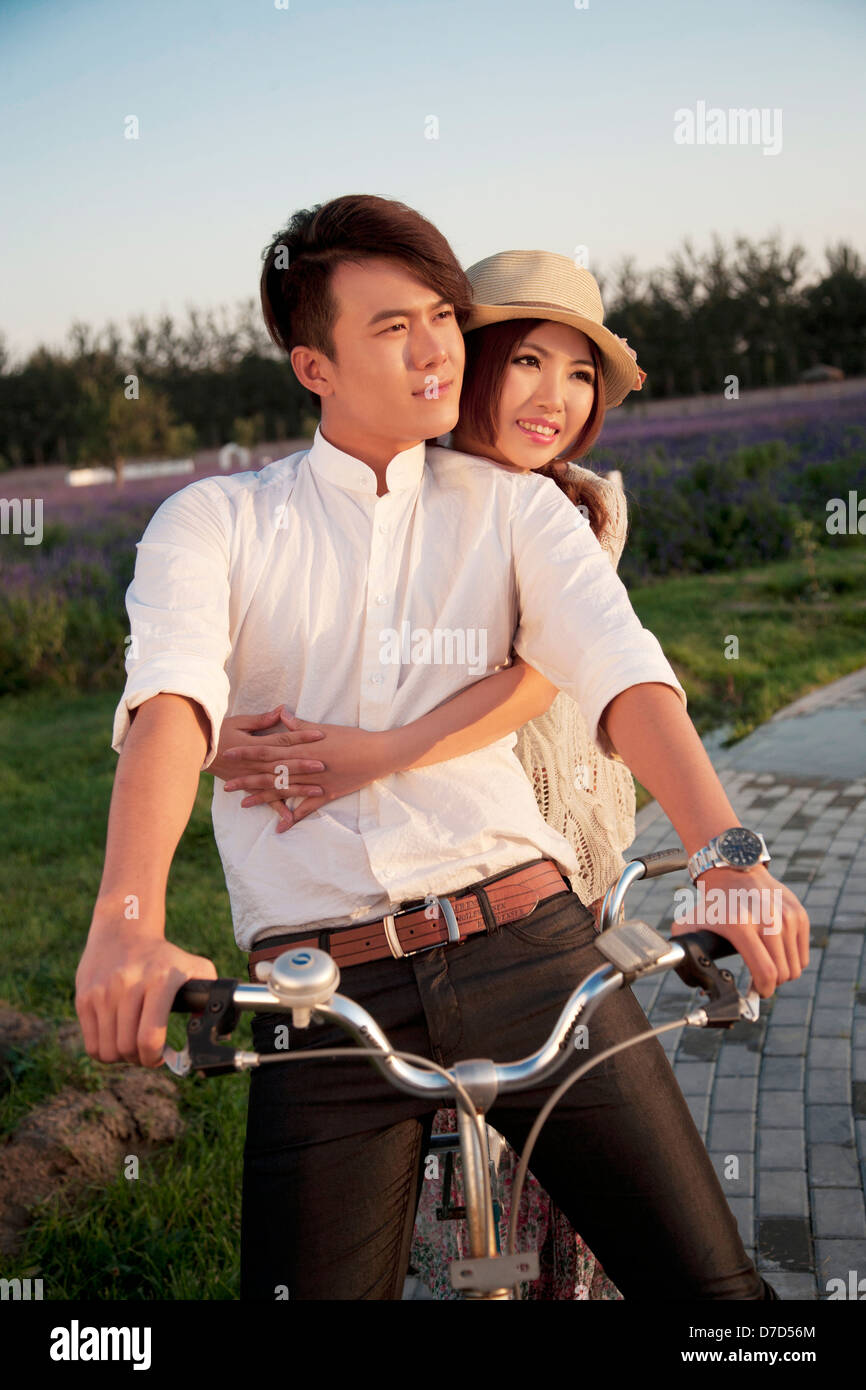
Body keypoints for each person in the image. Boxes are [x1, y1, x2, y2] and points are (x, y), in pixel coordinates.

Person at [75, 193, 809, 1301]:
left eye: (440, 315)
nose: (434, 351)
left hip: (528, 940)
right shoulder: (213, 521)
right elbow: (171, 704)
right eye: (389, 327)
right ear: (311, 364)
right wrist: (128, 922)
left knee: (721, 1303)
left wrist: (726, 851)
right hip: (317, 999)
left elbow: (620, 665)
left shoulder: (514, 509)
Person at [208, 253, 643, 1299]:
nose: (554, 396)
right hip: (409, 909)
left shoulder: (577, 509)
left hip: (555, 879)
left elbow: (538, 682)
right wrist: (226, 738)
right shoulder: (381, 504)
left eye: (580, 373)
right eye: (526, 360)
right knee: (444, 1206)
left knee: (570, 1222)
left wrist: (374, 753)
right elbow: (233, 670)